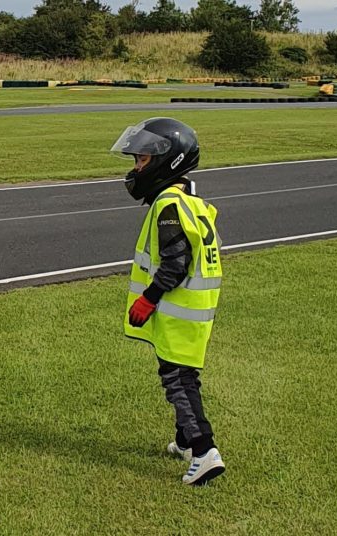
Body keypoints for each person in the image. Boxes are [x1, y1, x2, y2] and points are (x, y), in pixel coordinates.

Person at [111, 117, 225, 485]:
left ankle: (204, 450)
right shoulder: (188, 200)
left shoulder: (168, 207)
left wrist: (149, 298)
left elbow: (176, 263)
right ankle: (183, 440)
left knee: (178, 381)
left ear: (166, 161)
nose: (136, 168)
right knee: (182, 375)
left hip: (179, 314)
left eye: (141, 160)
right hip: (194, 313)